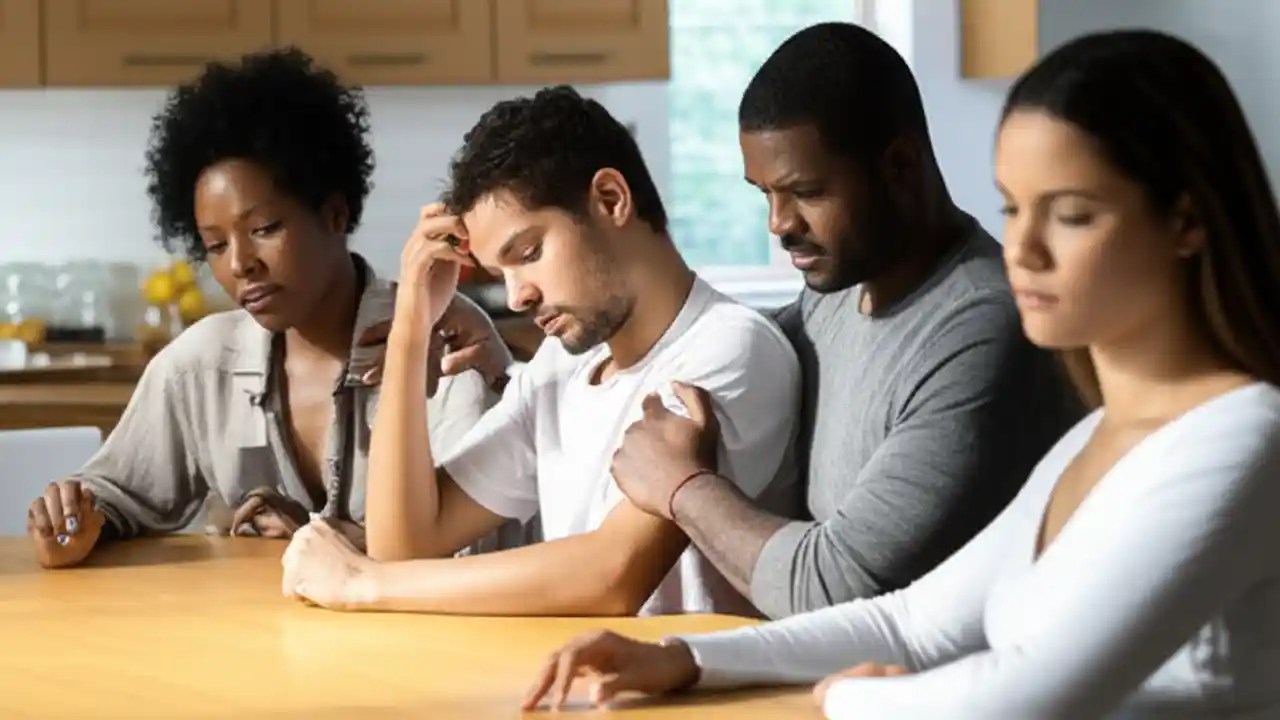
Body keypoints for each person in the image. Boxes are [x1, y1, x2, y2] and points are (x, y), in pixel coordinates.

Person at [524, 29, 1280, 717]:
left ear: (1186, 222)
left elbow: (1028, 695)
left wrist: (861, 700)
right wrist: (682, 660)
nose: (1025, 249)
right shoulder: (1096, 442)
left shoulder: (1243, 438)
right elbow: (909, 620)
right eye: (1014, 210)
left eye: (1073, 214)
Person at [598, 21, 1081, 620]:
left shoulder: (981, 330)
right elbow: (720, 346)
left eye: (806, 191)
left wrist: (682, 487)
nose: (778, 223)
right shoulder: (836, 289)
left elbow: (835, 587)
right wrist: (504, 370)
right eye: (764, 193)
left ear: (900, 167)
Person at [278, 86, 801, 617]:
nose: (515, 295)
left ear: (611, 199)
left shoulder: (728, 348)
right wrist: (413, 325)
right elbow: (405, 545)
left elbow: (611, 579)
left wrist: (363, 585)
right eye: (499, 271)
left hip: (702, 694)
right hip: (577, 682)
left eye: (528, 253)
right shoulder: (561, 366)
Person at [25, 48, 499, 569]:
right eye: (215, 245)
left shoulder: (442, 348)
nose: (241, 264)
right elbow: (115, 494)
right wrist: (75, 521)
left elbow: (482, 541)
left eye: (264, 229)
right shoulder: (201, 365)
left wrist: (340, 540)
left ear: (335, 213)